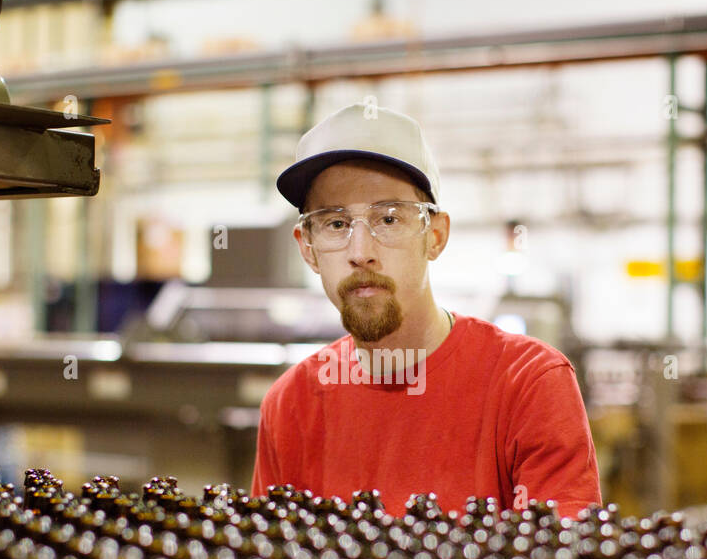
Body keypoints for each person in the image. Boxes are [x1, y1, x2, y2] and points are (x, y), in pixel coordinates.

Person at [251, 103, 602, 519]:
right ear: (307, 248)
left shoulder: (528, 385)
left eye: (389, 218)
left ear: (435, 236)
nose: (361, 253)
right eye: (336, 224)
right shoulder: (290, 406)